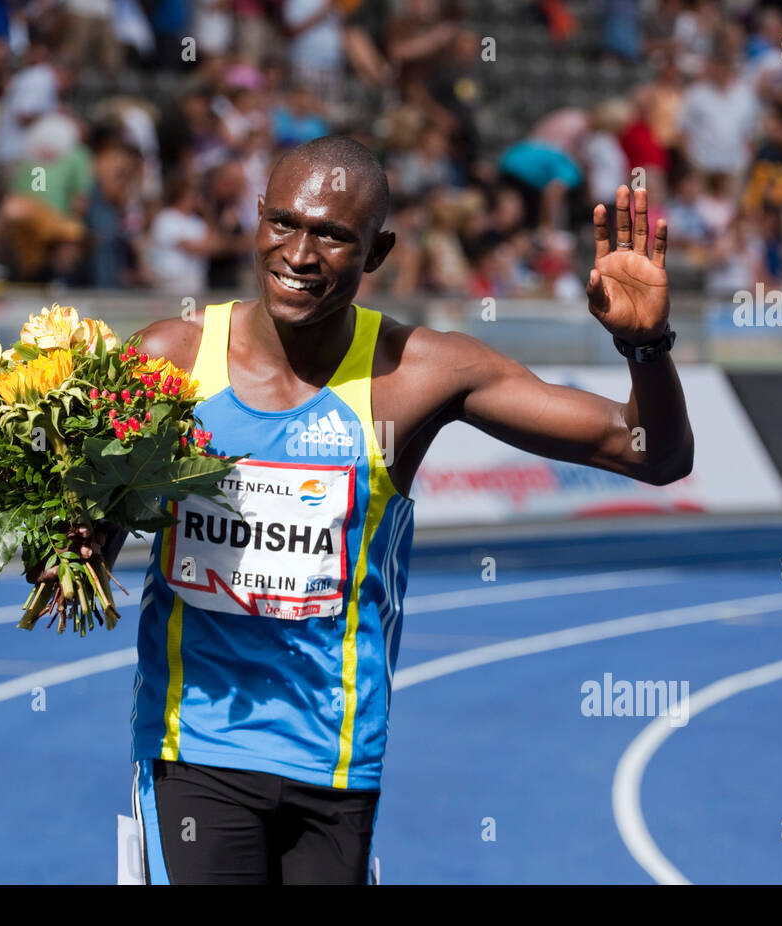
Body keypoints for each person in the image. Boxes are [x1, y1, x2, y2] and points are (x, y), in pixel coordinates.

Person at [34, 135, 693, 884]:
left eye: (333, 236)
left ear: (377, 252)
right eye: (283, 222)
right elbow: (82, 538)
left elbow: (651, 453)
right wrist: (62, 541)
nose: (300, 253)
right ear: (255, 218)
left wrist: (647, 348)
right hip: (195, 746)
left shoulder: (417, 374)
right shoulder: (171, 360)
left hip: (336, 757)